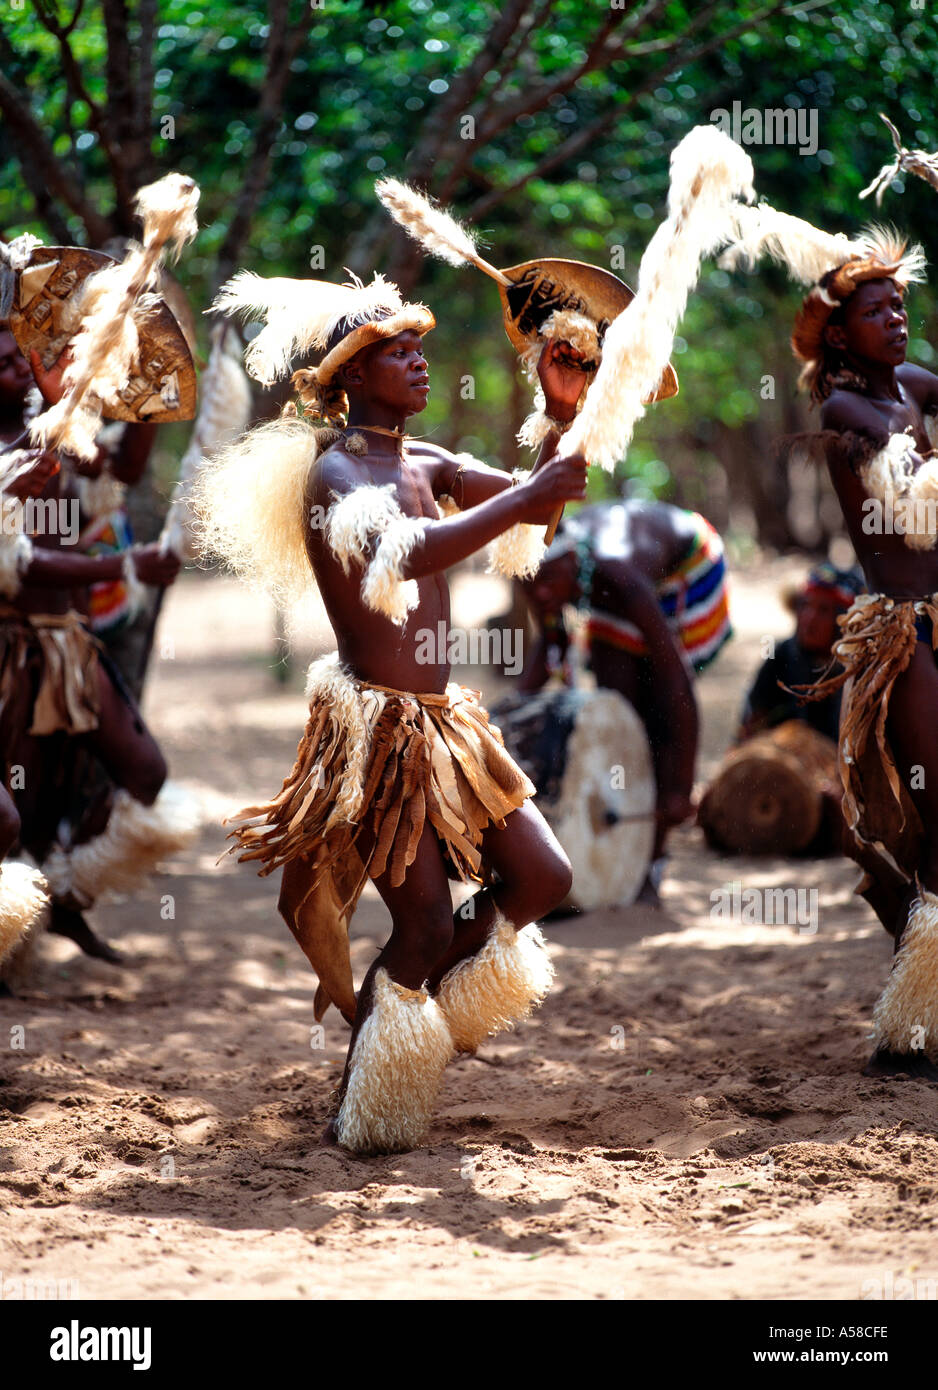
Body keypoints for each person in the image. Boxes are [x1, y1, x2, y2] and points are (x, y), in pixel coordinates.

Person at [198, 269, 589, 1154]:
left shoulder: (428, 462)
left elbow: (547, 509)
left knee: (542, 879)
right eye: (397, 354)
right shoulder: (335, 473)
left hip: (445, 721)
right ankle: (359, 1103)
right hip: (376, 731)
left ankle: (424, 1017)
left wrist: (562, 415)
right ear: (351, 375)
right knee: (418, 925)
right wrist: (525, 498)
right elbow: (402, 555)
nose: (418, 365)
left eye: (420, 350)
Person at [727, 209, 938, 1078]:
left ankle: (910, 1016)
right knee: (931, 816)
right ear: (842, 334)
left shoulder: (915, 385)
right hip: (906, 631)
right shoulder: (847, 403)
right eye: (876, 310)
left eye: (899, 304)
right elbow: (916, 500)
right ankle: (914, 1010)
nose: (895, 318)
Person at [0, 321, 194, 977]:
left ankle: (67, 896)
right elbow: (19, 567)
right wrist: (123, 564)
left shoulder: (55, 429)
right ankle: (10, 947)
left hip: (68, 645)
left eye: (22, 358)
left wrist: (151, 383)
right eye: (4, 364)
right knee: (14, 813)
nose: (21, 370)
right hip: (9, 650)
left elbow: (127, 465)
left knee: (145, 773)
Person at [518, 498, 730, 899]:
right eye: (529, 584)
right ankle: (622, 840)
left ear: (569, 566)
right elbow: (550, 645)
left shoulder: (617, 573)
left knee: (644, 697)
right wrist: (494, 727)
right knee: (614, 691)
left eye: (547, 581)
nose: (539, 592)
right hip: (614, 576)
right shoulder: (546, 566)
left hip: (689, 566)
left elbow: (676, 679)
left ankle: (652, 858)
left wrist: (680, 788)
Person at [737, 562, 863, 743]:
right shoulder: (779, 656)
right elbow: (750, 726)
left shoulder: (860, 670)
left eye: (824, 610)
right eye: (805, 605)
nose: (809, 618)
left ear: (844, 622)